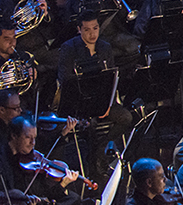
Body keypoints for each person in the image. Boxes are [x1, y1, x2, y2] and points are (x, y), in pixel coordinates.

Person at [55, 10, 135, 177]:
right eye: (87, 29)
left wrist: (107, 104)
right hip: (79, 103)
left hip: (102, 101)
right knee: (89, 125)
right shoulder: (68, 48)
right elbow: (66, 81)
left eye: (95, 28)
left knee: (126, 117)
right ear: (79, 29)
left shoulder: (105, 47)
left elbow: (111, 79)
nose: (92, 34)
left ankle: (101, 147)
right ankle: (94, 169)